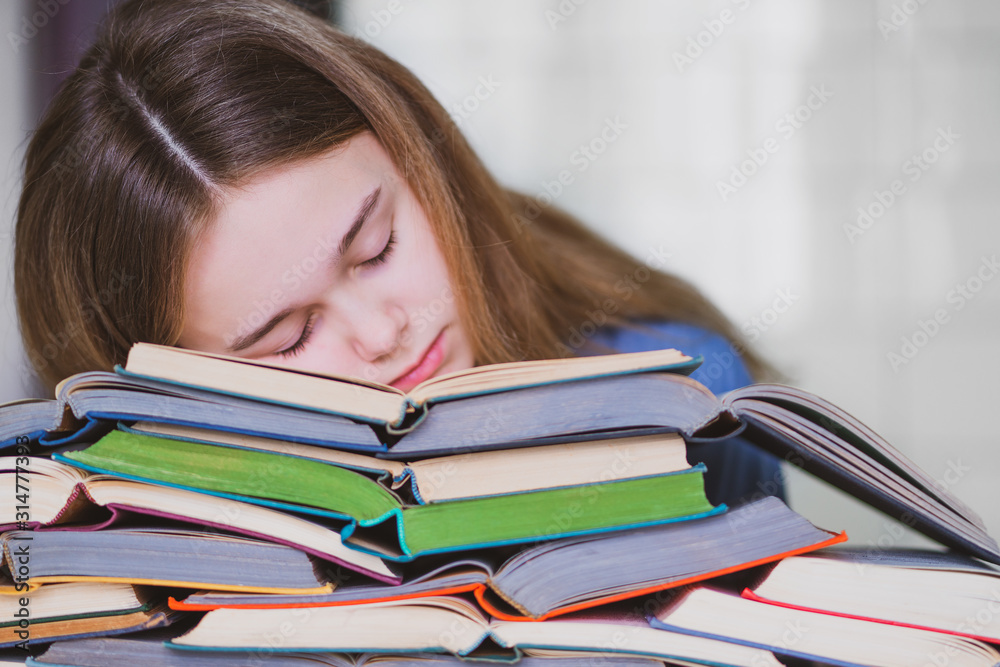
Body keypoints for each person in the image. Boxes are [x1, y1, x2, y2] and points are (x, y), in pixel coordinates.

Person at [14, 0, 783, 506]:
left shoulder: (685, 405)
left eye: (377, 249)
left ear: (423, 162)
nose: (383, 336)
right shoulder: (115, 529)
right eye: (288, 337)